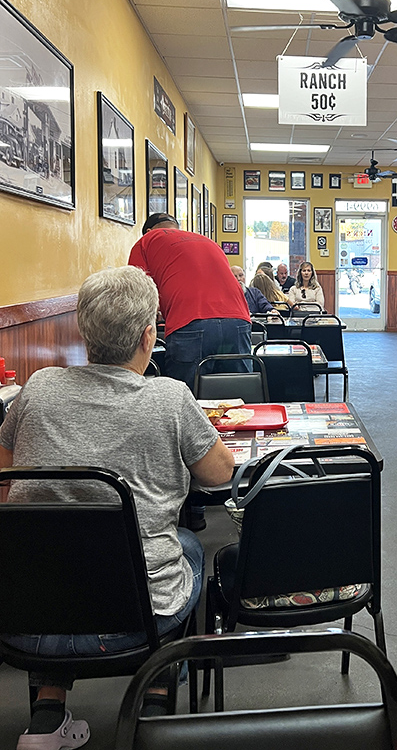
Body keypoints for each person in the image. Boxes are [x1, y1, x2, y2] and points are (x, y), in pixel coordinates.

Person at [0, 266, 234, 748]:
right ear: (149, 335)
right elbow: (219, 474)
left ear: (83, 331)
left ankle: (47, 713)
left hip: (26, 618)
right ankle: (158, 689)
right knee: (189, 547)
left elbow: (6, 479)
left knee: (55, 555)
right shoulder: (170, 396)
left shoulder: (39, 388)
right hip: (136, 621)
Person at [129, 213, 251, 389]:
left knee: (185, 396)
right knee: (238, 393)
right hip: (238, 320)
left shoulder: (146, 241)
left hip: (191, 321)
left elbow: (138, 294)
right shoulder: (206, 241)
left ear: (148, 231)